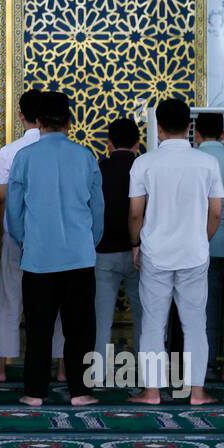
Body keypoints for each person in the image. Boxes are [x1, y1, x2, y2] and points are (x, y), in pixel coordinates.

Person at [5, 91, 102, 407]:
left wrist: (26, 241)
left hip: (38, 259)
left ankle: (34, 392)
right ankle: (80, 391)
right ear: (69, 122)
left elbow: (14, 213)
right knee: (79, 329)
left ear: (38, 122)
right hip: (79, 258)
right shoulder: (86, 157)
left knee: (38, 329)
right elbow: (98, 213)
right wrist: (89, 244)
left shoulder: (25, 158)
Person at [126, 100, 223, 405]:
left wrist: (136, 244)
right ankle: (197, 392)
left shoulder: (144, 163)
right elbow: (216, 212)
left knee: (154, 324)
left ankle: (152, 391)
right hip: (194, 252)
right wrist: (201, 239)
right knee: (194, 325)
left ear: (159, 127)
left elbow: (135, 214)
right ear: (189, 126)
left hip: (156, 253)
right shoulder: (207, 163)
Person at [0, 89, 63, 382]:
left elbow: (3, 199)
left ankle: (0, 367)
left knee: (11, 299)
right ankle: (61, 368)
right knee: (58, 303)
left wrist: (3, 232)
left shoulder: (10, 152)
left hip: (16, 236)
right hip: (55, 238)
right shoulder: (66, 149)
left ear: (22, 116)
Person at [92, 117, 142, 385]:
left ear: (108, 143)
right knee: (144, 318)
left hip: (103, 253)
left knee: (101, 320)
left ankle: (98, 375)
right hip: (140, 254)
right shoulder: (143, 168)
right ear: (137, 143)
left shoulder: (99, 169)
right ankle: (147, 374)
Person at [195, 111, 224, 381]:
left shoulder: (194, 160)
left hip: (203, 243)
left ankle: (207, 364)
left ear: (196, 134)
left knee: (205, 309)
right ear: (223, 135)